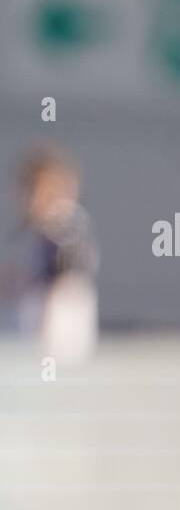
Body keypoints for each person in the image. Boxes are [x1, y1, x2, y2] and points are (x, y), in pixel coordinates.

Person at [2, 143, 99, 364]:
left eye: (56, 190)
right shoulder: (24, 238)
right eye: (41, 190)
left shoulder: (68, 231)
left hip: (59, 353)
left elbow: (64, 269)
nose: (49, 199)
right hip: (21, 350)